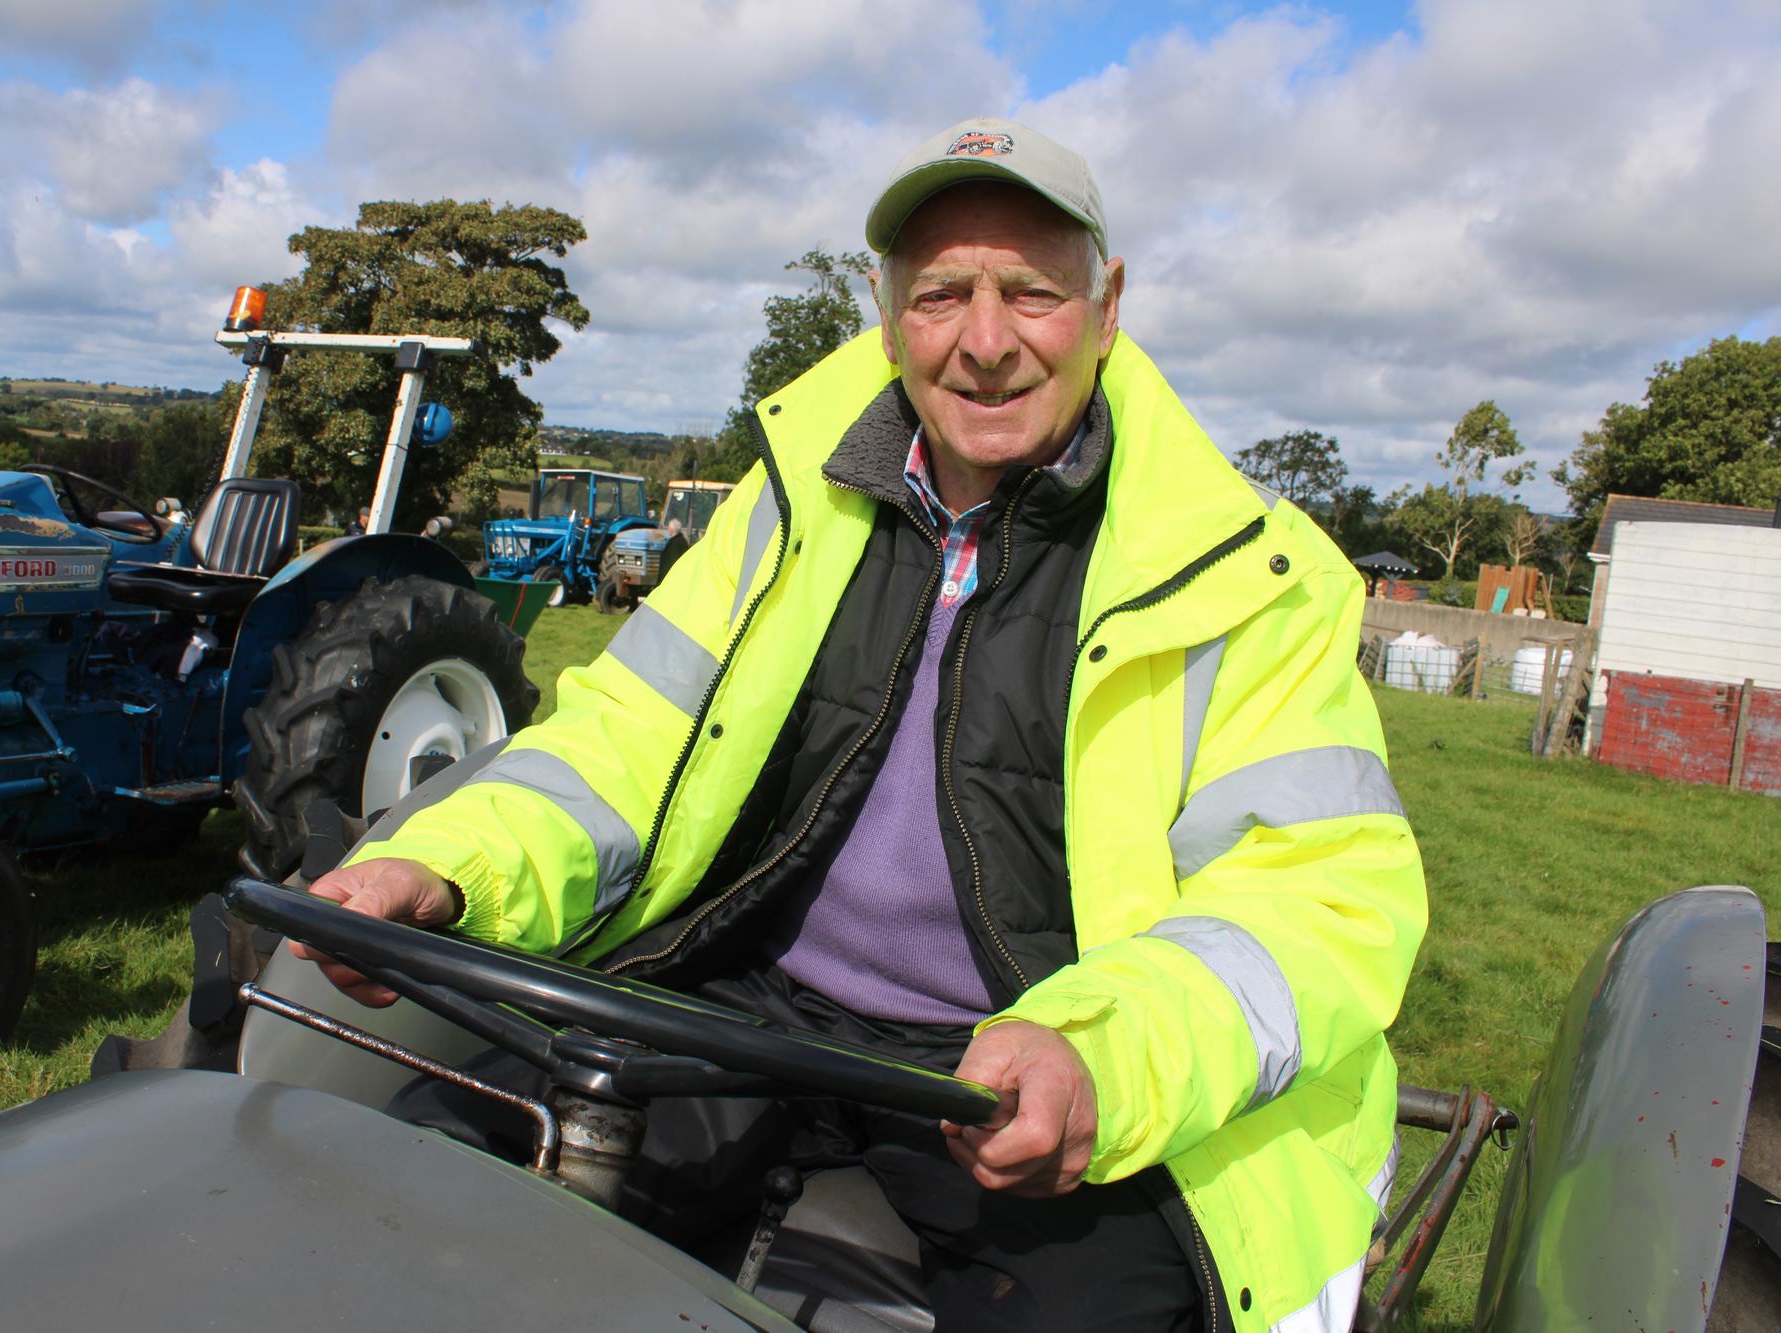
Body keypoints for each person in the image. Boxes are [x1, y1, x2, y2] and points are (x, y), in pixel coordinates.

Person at [298, 116, 1425, 1331]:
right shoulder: (789, 500)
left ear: (1107, 307)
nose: (983, 342)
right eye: (941, 293)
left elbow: (1310, 899)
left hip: (1019, 1063)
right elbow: (616, 745)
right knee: (421, 1202)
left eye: (1030, 292)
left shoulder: (1248, 571)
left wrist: (1098, 1052)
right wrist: (442, 866)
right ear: (888, 317)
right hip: (744, 999)